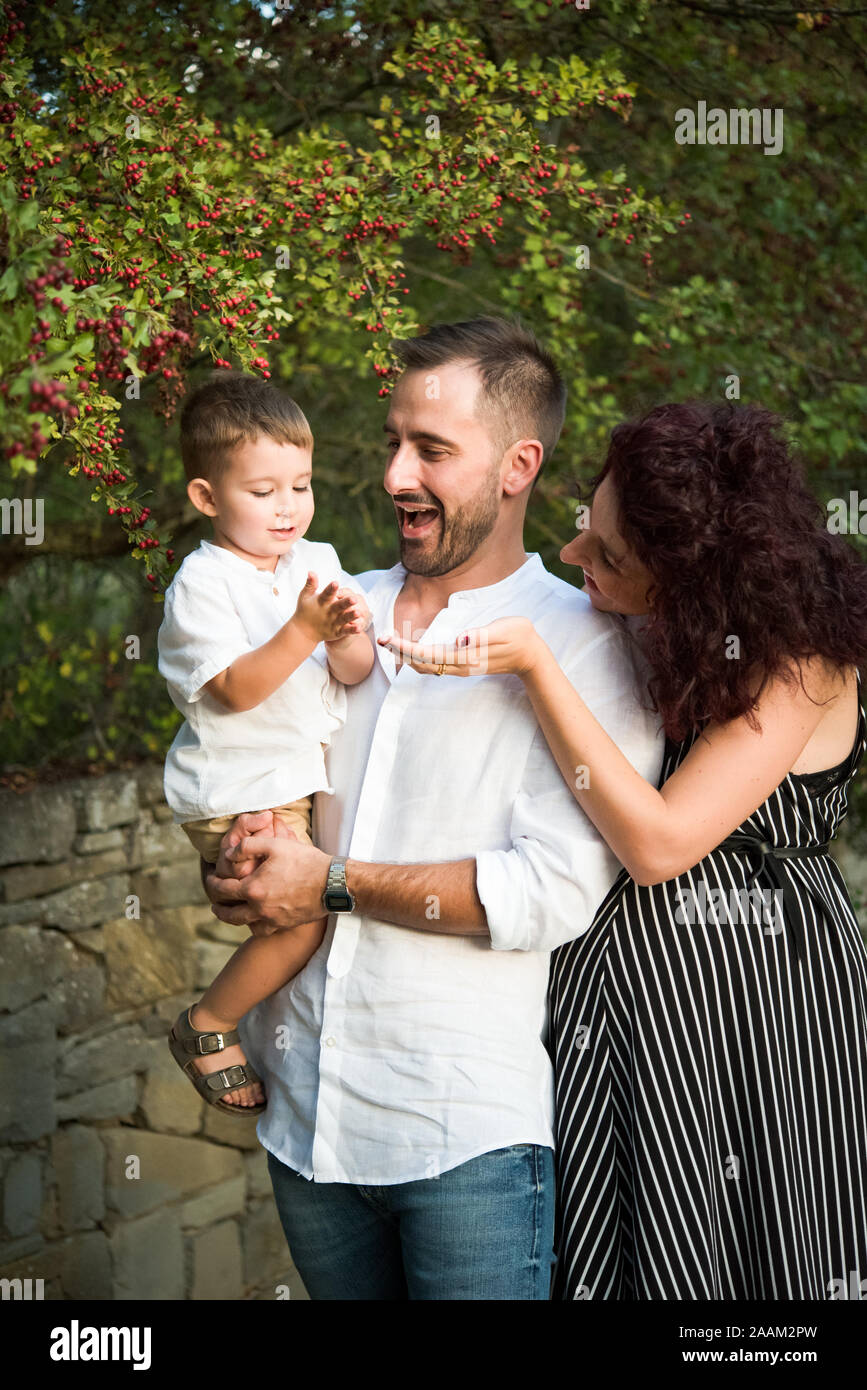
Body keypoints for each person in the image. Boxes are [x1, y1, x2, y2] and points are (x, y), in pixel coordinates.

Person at [201, 316, 664, 1300]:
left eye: (432, 450)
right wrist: (244, 862)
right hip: (305, 1130)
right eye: (391, 443)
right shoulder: (326, 611)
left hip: (464, 1144)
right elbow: (257, 772)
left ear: (517, 465)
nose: (394, 476)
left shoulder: (587, 647)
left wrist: (322, 882)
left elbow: (546, 895)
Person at [382, 399, 867, 1300]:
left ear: (694, 581)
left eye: (608, 558)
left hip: (752, 999)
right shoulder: (653, 627)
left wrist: (535, 663)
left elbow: (658, 842)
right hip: (611, 1005)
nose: (573, 560)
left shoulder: (800, 661)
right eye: (585, 532)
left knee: (749, 1253)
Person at [157, 371, 374, 1114]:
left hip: (290, 780)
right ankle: (208, 1024)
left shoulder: (319, 560)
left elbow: (354, 668)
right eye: (263, 491)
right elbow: (234, 690)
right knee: (302, 922)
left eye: (301, 485)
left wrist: (344, 637)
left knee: (295, 919)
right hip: (238, 786)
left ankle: (238, 1025)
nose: (288, 508)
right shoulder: (202, 583)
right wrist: (303, 631)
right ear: (207, 498)